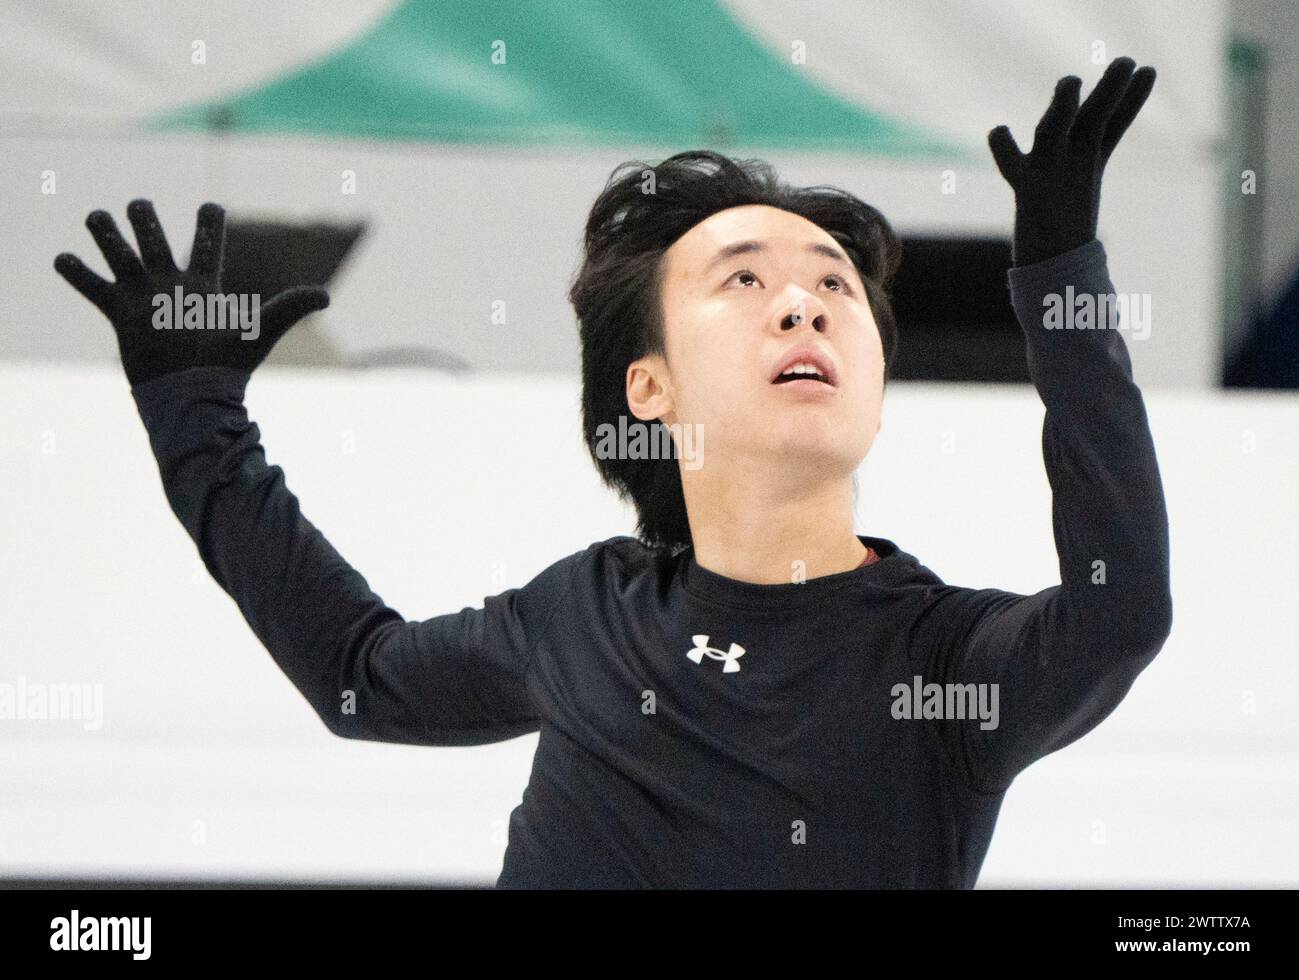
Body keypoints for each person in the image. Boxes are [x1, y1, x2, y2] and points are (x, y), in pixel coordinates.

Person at [54, 57, 1169, 888]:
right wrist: (193, 410)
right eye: (742, 280)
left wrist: (1063, 287)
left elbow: (1118, 614)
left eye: (834, 286)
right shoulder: (581, 614)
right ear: (649, 388)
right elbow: (358, 672)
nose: (803, 300)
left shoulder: (940, 661)